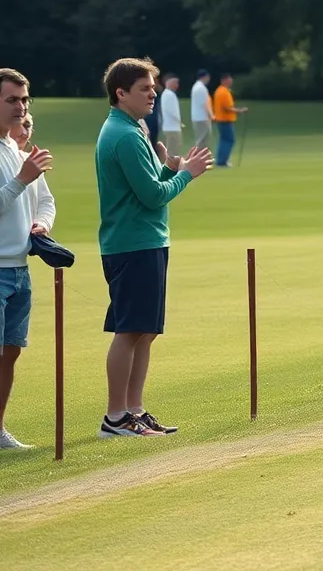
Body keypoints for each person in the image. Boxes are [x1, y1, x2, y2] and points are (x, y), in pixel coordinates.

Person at [95, 58, 212, 437]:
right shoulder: (125, 135)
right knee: (130, 330)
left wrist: (169, 168)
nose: (153, 95)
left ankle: (134, 410)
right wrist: (185, 175)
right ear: (121, 93)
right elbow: (152, 196)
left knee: (144, 331)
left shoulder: (131, 129)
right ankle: (116, 417)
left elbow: (146, 186)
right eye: (144, 89)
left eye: (153, 88)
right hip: (133, 243)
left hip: (144, 241)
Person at [0, 70, 53, 450]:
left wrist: (42, 223)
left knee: (10, 354)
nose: (21, 107)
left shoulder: (17, 151)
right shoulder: (19, 161)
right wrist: (21, 179)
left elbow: (46, 201)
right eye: (12, 100)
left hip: (20, 268)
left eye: (24, 100)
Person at [12, 115, 56, 239]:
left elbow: (45, 201)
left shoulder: (30, 161)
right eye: (17, 125)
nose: (24, 133)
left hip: (24, 245)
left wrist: (42, 223)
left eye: (27, 126)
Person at [212, 74, 248, 168]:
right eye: (229, 80)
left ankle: (221, 160)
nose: (231, 82)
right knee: (229, 140)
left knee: (224, 140)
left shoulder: (220, 91)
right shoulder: (224, 92)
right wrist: (240, 110)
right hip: (225, 120)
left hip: (221, 119)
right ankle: (222, 161)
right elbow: (227, 108)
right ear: (223, 80)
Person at [160, 74, 183, 158]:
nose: (177, 85)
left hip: (170, 127)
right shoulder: (169, 95)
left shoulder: (167, 94)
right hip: (172, 128)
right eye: (175, 82)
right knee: (172, 151)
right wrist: (179, 121)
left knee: (172, 150)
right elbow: (173, 112)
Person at [190, 69, 214, 149]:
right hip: (202, 118)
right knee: (203, 141)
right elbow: (205, 104)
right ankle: (199, 155)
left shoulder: (195, 87)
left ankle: (200, 155)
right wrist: (211, 116)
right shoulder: (202, 88)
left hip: (197, 117)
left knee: (200, 139)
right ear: (205, 77)